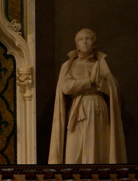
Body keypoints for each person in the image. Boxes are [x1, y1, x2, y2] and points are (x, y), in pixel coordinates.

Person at [48, 29, 126, 164]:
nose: (84, 42)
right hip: (78, 110)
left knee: (97, 149)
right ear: (76, 45)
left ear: (94, 44)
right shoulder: (69, 66)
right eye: (80, 39)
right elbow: (65, 87)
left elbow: (113, 91)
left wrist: (100, 82)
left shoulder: (102, 65)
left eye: (88, 39)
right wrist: (89, 82)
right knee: (74, 152)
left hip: (98, 109)